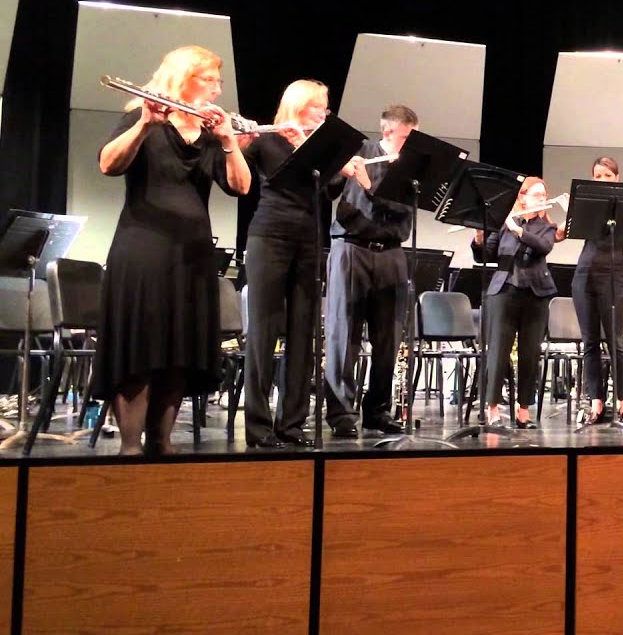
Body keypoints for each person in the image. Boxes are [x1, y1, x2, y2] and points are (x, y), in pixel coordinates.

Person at [92, 45, 252, 456]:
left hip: (192, 255)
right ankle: (130, 447)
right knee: (141, 346)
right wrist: (145, 124)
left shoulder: (210, 132)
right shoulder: (140, 115)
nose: (217, 90)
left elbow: (240, 187)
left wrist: (230, 141)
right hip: (142, 251)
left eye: (219, 82)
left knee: (179, 350)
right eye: (210, 80)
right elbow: (109, 165)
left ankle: (162, 445)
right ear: (183, 78)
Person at [239, 79, 330, 448]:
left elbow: (329, 190)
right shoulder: (267, 139)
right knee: (263, 332)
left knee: (303, 333)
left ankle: (292, 423)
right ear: (298, 105)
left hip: (309, 240)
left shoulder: (321, 147)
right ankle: (259, 426)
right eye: (318, 107)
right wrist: (236, 144)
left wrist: (344, 166)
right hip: (269, 237)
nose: (324, 113)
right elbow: (242, 178)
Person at [322, 105, 417, 437]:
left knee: (388, 337)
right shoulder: (359, 151)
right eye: (407, 137)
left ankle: (377, 410)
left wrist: (369, 187)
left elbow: (403, 214)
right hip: (352, 248)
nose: (410, 144)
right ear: (388, 133)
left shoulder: (409, 168)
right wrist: (342, 170)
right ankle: (341, 413)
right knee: (343, 333)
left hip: (390, 252)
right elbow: (328, 189)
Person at [473, 177, 558, 428]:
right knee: (498, 351)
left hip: (536, 294)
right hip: (504, 292)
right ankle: (493, 409)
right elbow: (486, 255)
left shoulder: (545, 227)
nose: (542, 199)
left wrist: (518, 231)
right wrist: (479, 237)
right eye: (537, 195)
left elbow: (543, 247)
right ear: (522, 198)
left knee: (530, 354)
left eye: (544, 195)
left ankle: (523, 411)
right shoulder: (504, 223)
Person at [556, 157, 623, 424]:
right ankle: (596, 404)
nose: (601, 180)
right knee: (589, 342)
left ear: (617, 178)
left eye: (607, 176)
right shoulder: (586, 205)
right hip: (584, 275)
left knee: (616, 342)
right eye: (597, 176)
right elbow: (571, 232)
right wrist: (573, 212)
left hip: (613, 274)